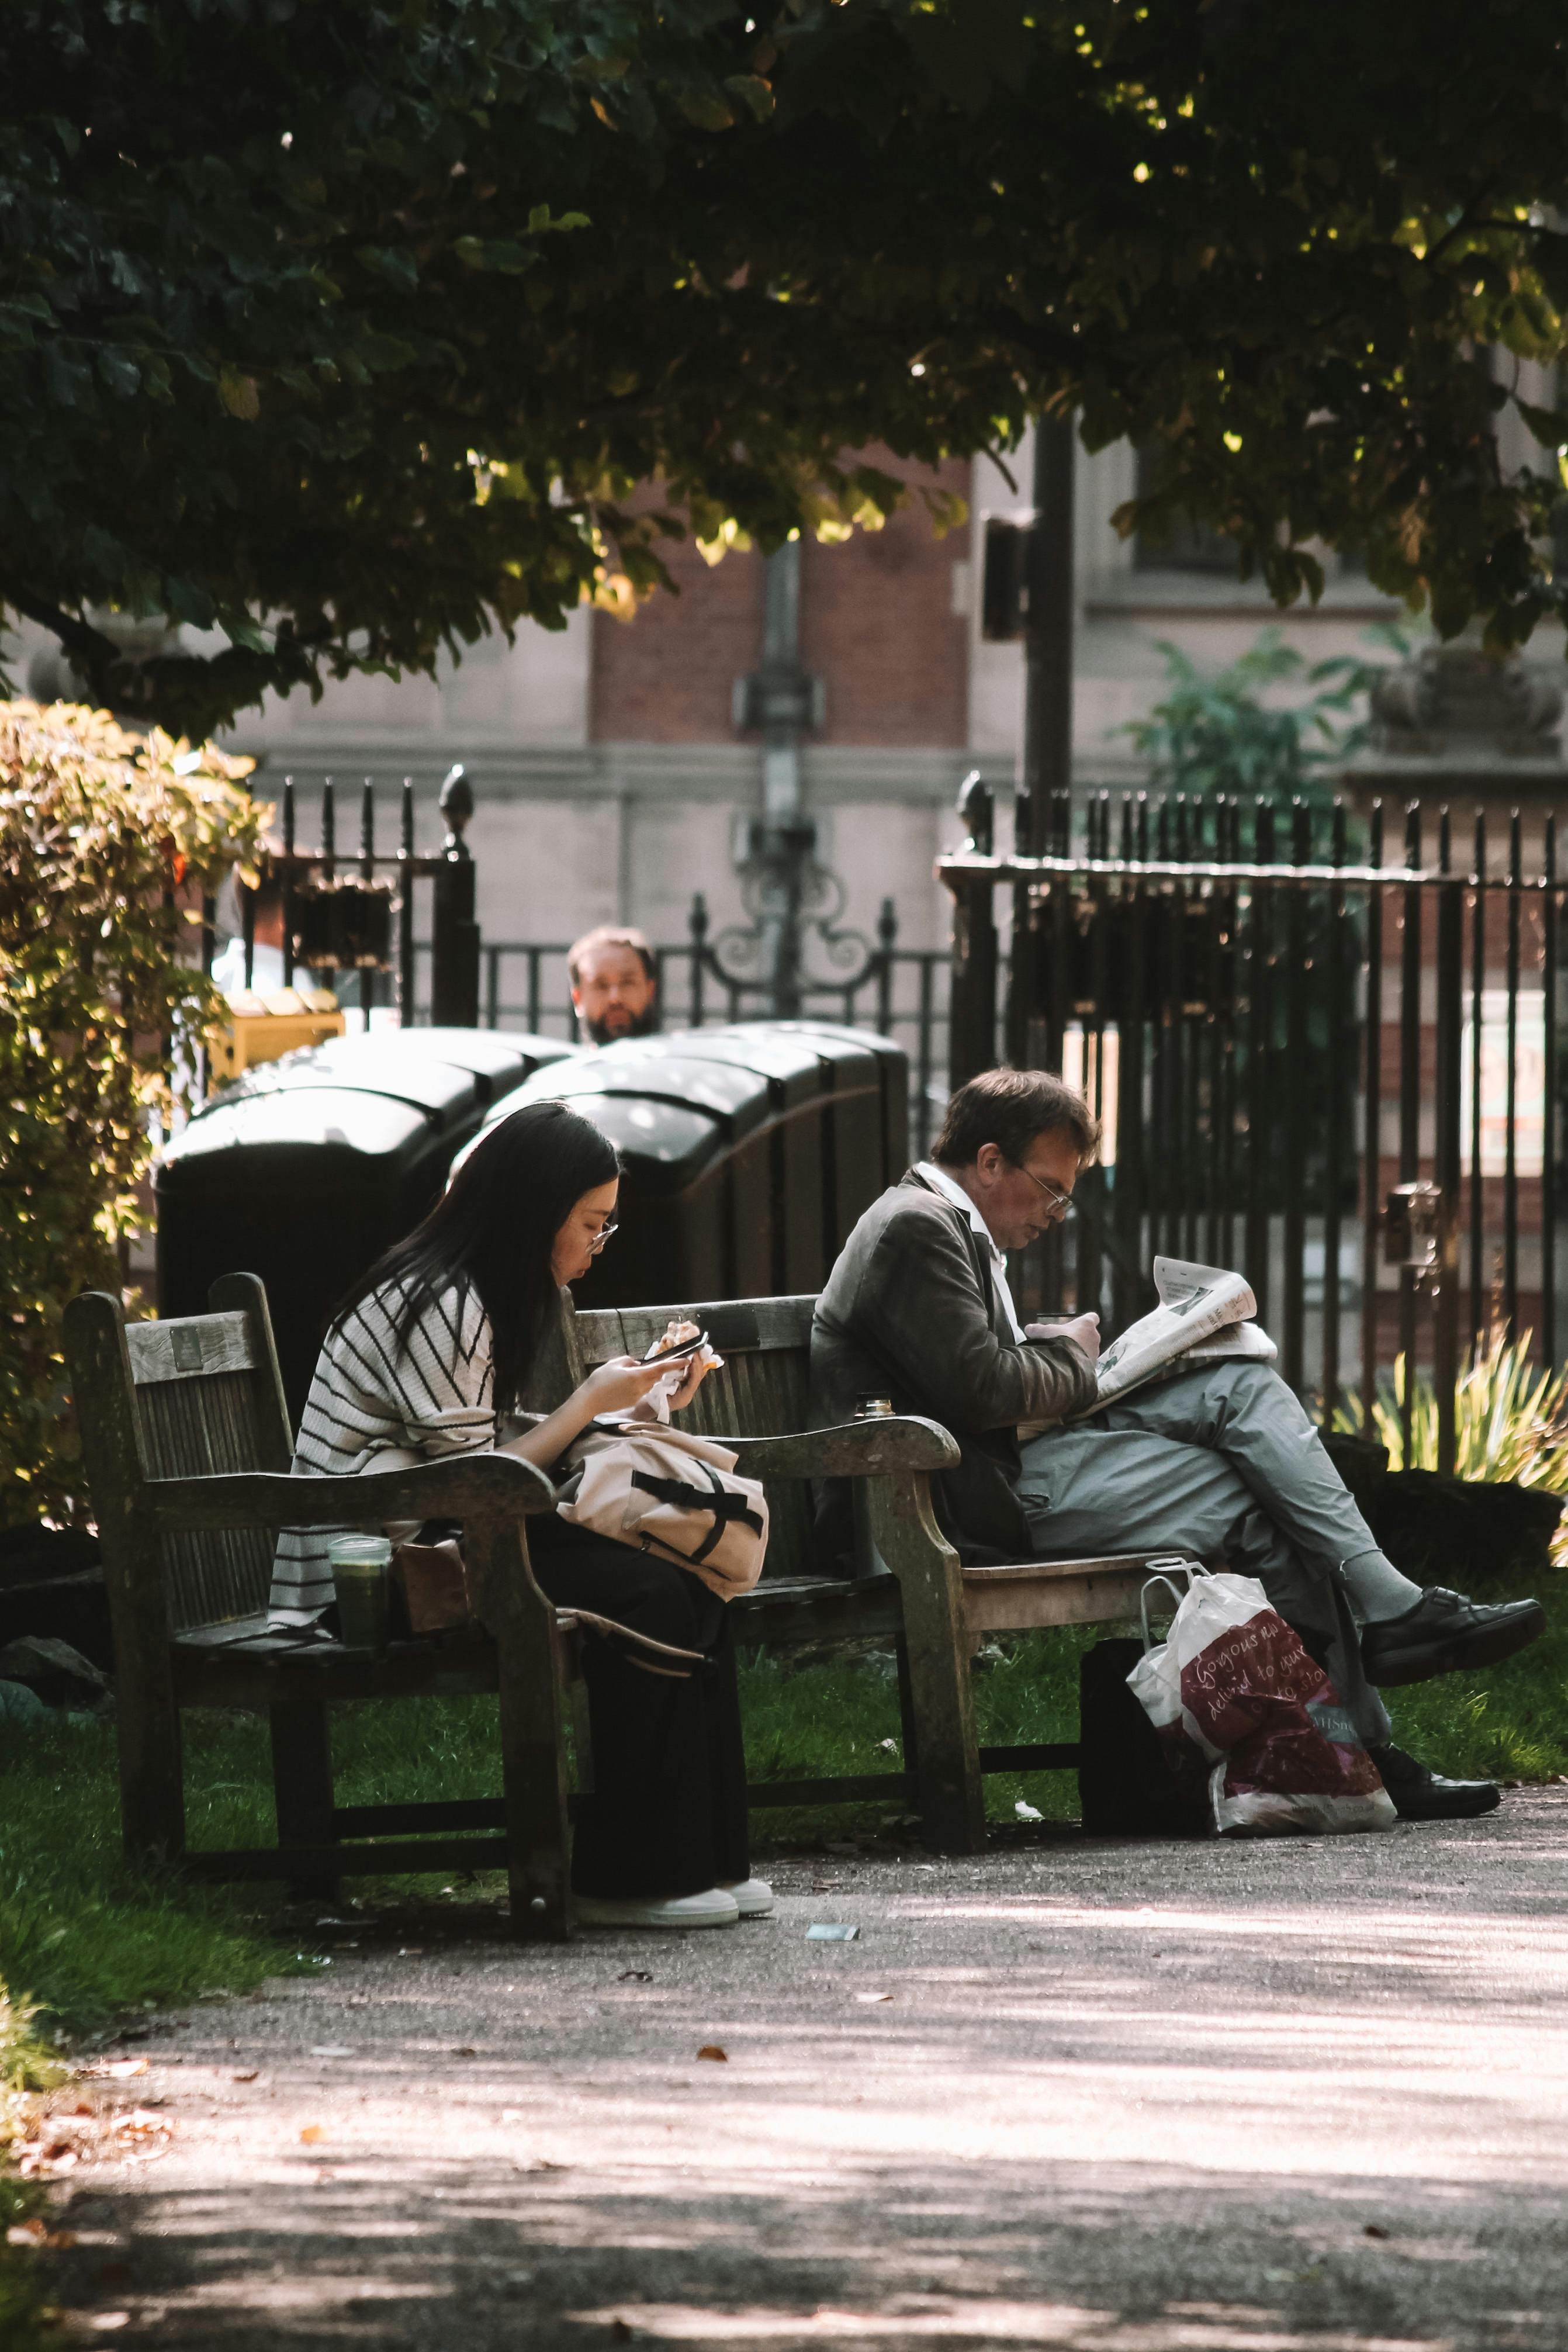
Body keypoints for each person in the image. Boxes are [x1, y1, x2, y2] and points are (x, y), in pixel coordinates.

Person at [811, 1065, 1546, 1824]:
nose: (1059, 1212)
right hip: (944, 1500)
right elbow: (981, 1389)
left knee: (1236, 1380)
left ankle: (1377, 1657)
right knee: (1260, 1501)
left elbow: (974, 1382)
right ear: (990, 1161)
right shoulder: (915, 1227)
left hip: (991, 1470)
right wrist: (1067, 1353)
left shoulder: (941, 1223)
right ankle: (1364, 1719)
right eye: (1053, 1189)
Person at [269, 1099, 767, 1929]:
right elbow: (469, 1481)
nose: (597, 1246)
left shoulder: (478, 1290)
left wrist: (634, 1406)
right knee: (647, 1592)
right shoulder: (438, 1301)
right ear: (536, 1211)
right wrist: (585, 1405)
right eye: (591, 1224)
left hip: (432, 1537)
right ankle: (629, 1876)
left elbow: (482, 1456)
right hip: (364, 1576)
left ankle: (699, 1859)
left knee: (688, 1575)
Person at [568, 924, 659, 1046]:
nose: (615, 999)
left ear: (650, 990)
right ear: (577, 999)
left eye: (627, 983)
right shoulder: (567, 1065)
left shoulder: (680, 1063)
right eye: (601, 986)